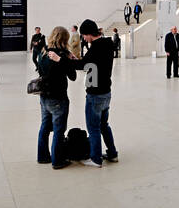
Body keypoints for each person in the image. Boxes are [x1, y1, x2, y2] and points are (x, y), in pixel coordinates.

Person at [48, 19, 118, 167]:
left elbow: (83, 65)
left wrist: (60, 59)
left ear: (89, 34)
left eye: (84, 36)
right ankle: (112, 154)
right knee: (104, 125)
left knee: (93, 128)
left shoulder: (96, 47)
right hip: (106, 92)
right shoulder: (107, 44)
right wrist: (76, 59)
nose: (84, 39)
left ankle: (95, 159)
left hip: (95, 93)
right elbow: (90, 64)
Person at [35, 26, 76, 169]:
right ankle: (58, 161)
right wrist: (70, 60)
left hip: (44, 96)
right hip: (58, 97)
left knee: (45, 127)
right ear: (65, 39)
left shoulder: (44, 51)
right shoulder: (62, 55)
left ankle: (42, 156)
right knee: (59, 130)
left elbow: (40, 70)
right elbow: (73, 76)